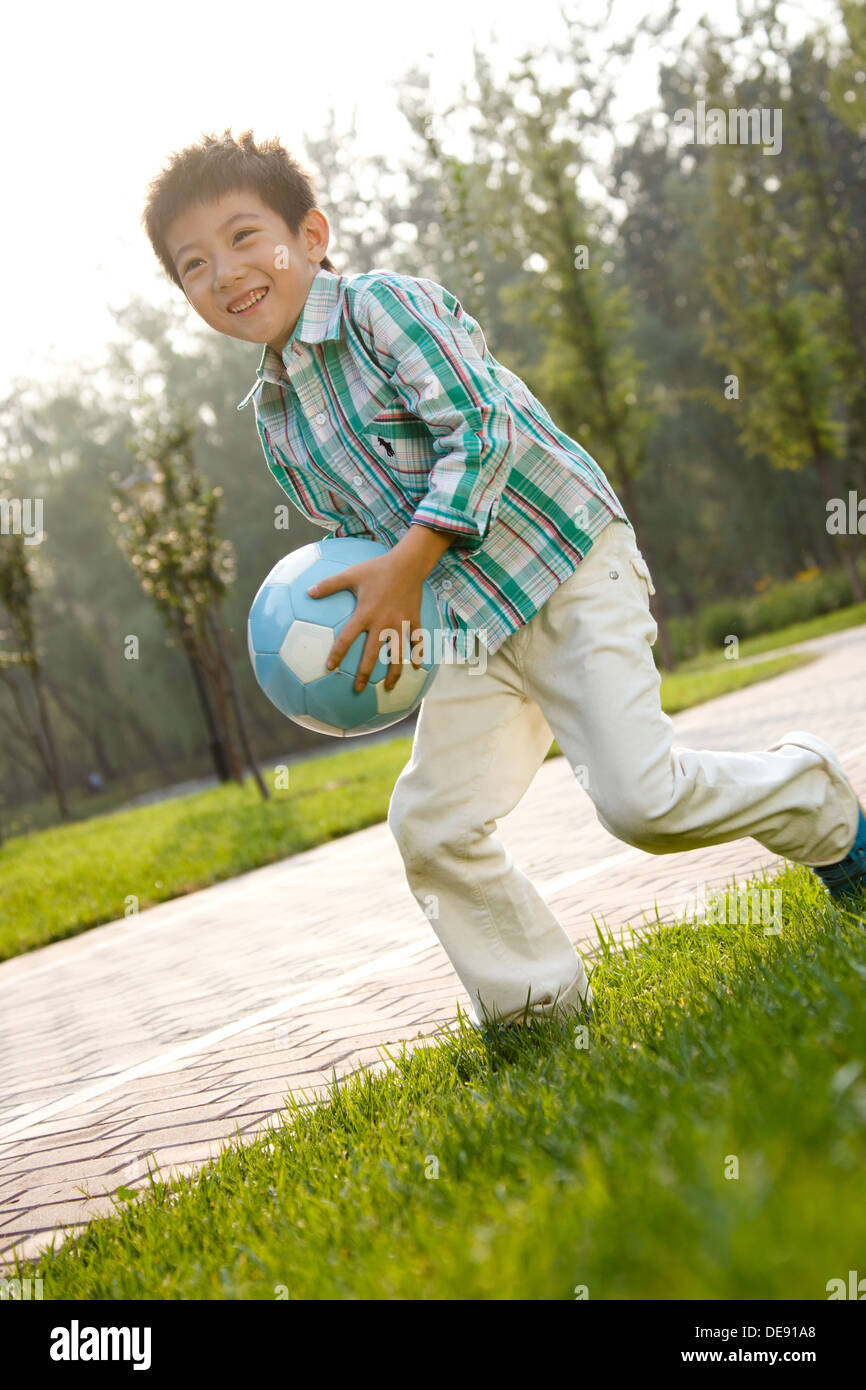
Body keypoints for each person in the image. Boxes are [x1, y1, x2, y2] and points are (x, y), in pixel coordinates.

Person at [142, 129, 866, 1035]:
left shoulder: (382, 311)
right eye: (193, 264)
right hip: (473, 632)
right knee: (432, 826)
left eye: (246, 237)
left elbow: (482, 429)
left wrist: (407, 564)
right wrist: (382, 622)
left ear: (313, 235)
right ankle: (538, 1011)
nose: (225, 272)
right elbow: (356, 550)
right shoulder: (277, 418)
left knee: (642, 803)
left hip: (564, 566)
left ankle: (810, 790)